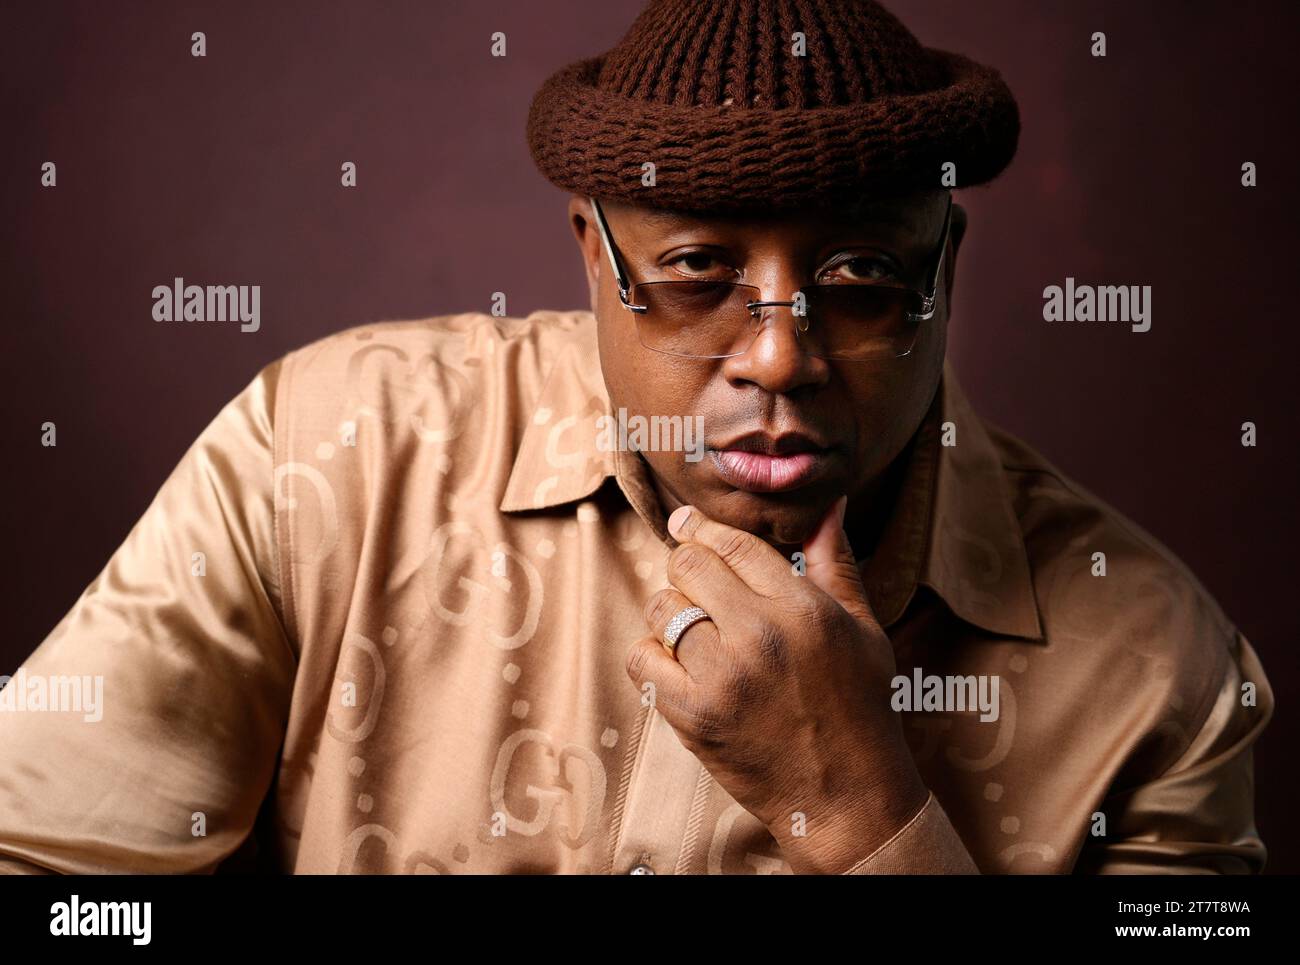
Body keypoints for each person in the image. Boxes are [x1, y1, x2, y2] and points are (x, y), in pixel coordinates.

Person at [0, 0, 1272, 874]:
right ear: (590, 258)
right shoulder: (320, 459)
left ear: (946, 261)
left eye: (863, 274)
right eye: (698, 266)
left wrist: (865, 815)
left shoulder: (1159, 674)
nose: (778, 351)